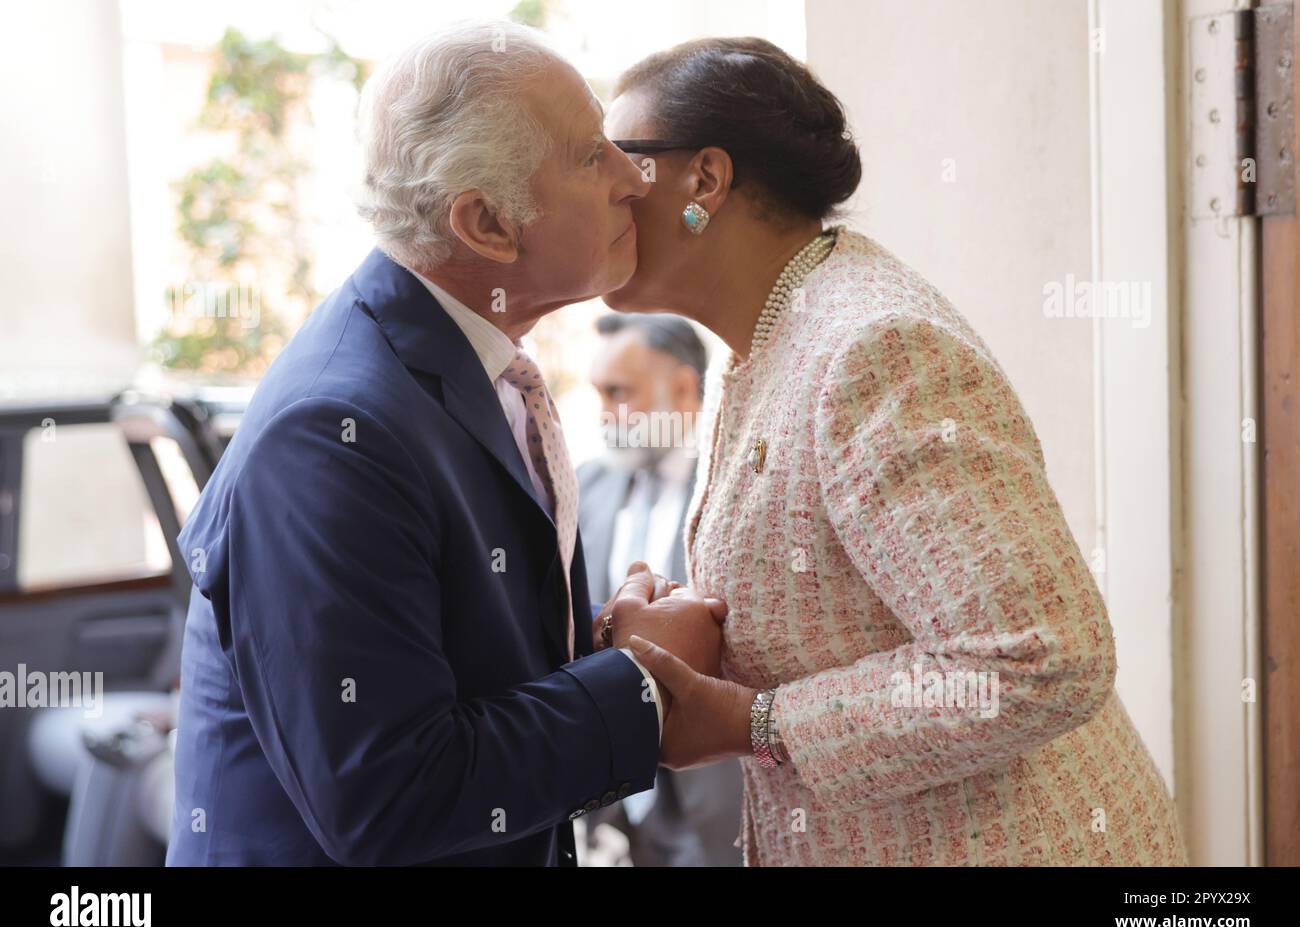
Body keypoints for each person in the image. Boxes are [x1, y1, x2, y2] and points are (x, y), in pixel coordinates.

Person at [595, 36, 1189, 866]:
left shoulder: (872, 348)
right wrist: (696, 626)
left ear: (705, 180)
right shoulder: (773, 337)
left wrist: (756, 722)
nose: (604, 187)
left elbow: (1044, 656)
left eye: (618, 158)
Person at [165, 21, 726, 867]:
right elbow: (388, 796)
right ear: (487, 224)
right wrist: (641, 679)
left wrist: (603, 646)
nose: (632, 177)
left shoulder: (473, 364)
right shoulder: (333, 435)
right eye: (591, 156)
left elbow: (462, 664)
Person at [577, 312, 742, 866]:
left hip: (720, 801)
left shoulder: (738, 484)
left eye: (620, 393)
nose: (606, 415)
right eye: (599, 394)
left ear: (684, 389)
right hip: (612, 801)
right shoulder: (585, 486)